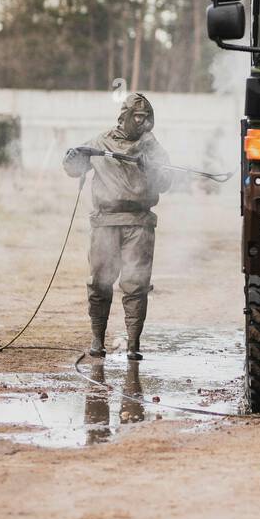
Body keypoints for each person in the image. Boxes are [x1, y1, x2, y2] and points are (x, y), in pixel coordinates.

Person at [63, 93, 173, 359]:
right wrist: (71, 157)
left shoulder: (151, 145)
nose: (143, 123)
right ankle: (97, 340)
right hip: (105, 223)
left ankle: (134, 344)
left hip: (139, 223)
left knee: (136, 285)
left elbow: (166, 181)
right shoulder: (100, 142)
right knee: (100, 283)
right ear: (124, 117)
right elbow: (73, 168)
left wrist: (153, 170)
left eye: (146, 118)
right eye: (138, 117)